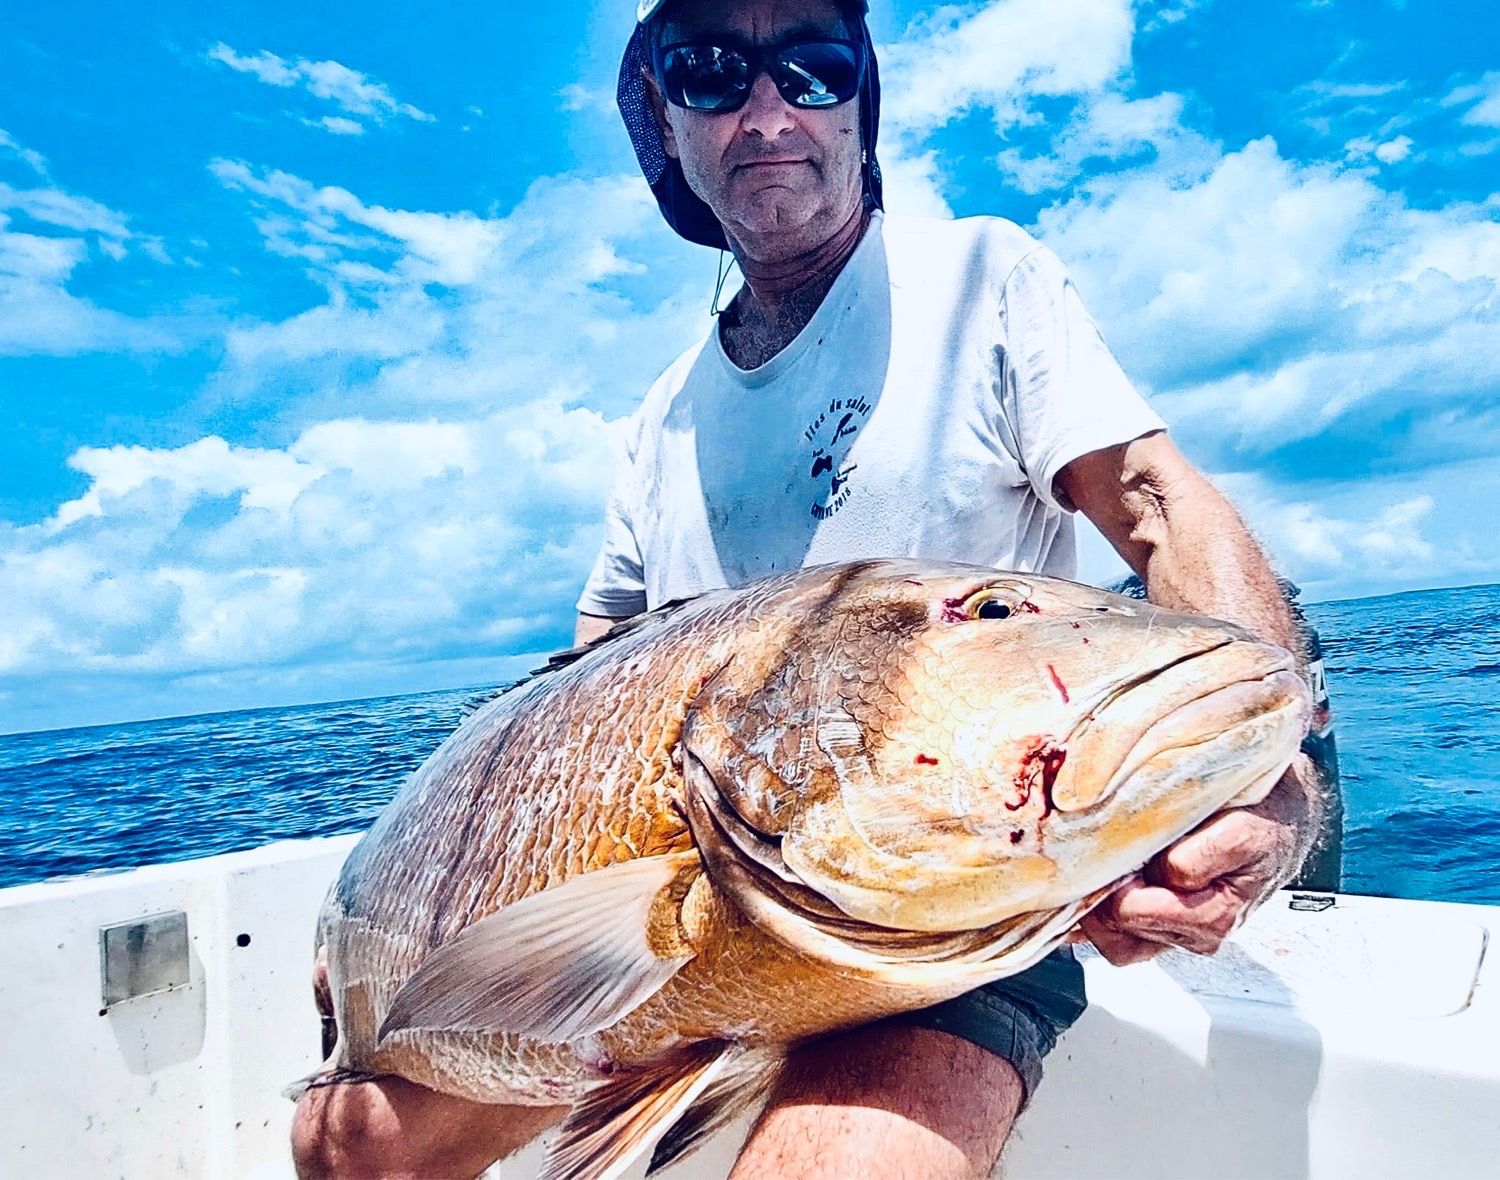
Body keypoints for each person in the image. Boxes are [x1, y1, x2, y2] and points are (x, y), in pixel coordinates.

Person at [291, 0, 1330, 1175]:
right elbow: (577, 704)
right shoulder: (660, 423)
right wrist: (378, 914)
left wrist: (1274, 782)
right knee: (345, 1148)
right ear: (664, 128)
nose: (769, 110)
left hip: (949, 922)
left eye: (816, 67)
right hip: (682, 939)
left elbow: (1160, 503)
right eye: (711, 72)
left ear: (863, 104)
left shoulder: (982, 278)